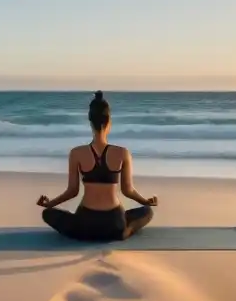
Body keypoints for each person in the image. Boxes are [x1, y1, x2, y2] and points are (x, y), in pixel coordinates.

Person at [37, 91, 157, 242]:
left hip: (86, 223)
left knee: (48, 214)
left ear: (90, 123)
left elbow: (72, 191)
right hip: (114, 222)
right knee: (147, 211)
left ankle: (82, 234)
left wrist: (50, 204)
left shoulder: (76, 153)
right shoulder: (122, 153)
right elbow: (128, 190)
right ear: (109, 122)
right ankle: (124, 231)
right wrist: (145, 201)